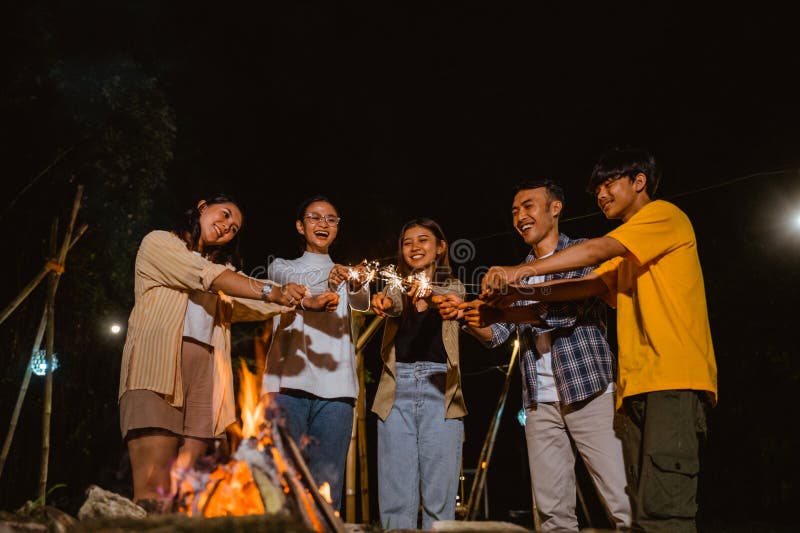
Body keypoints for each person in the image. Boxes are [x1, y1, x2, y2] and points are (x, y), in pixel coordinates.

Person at [477, 147, 718, 533]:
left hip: (672, 380)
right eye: (596, 190)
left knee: (662, 508)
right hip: (635, 387)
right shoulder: (626, 255)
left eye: (609, 184)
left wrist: (519, 274)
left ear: (639, 182)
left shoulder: (663, 216)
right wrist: (506, 301)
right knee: (644, 508)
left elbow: (593, 253)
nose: (601, 195)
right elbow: (583, 285)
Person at [118, 193, 336, 514]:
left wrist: (304, 301)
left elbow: (249, 299)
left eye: (234, 228)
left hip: (206, 373)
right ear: (202, 206)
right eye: (224, 215)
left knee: (184, 492)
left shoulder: (222, 274)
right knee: (154, 489)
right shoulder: (159, 243)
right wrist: (272, 290)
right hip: (158, 366)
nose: (227, 227)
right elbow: (206, 275)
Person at [436, 179, 631, 532]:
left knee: (622, 499)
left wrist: (503, 306)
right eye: (514, 211)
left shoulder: (584, 253)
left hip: (590, 392)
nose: (519, 217)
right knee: (552, 513)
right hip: (539, 402)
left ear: (555, 208)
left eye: (528, 206)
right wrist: (465, 313)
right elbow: (497, 335)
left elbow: (565, 312)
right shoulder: (519, 272)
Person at [261, 195, 369, 512]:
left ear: (337, 227)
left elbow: (362, 302)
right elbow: (299, 286)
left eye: (331, 219)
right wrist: (329, 280)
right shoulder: (281, 267)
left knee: (326, 488)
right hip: (286, 384)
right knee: (281, 481)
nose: (323, 223)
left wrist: (354, 280)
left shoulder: (347, 275)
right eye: (315, 217)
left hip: (337, 390)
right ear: (300, 226)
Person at [370, 217, 466, 530]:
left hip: (440, 389)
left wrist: (428, 295)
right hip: (396, 388)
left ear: (440, 247)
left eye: (423, 240)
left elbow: (450, 300)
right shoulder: (396, 287)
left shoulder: (453, 285)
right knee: (395, 497)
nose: (414, 247)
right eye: (407, 242)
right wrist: (383, 301)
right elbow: (394, 302)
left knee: (439, 498)